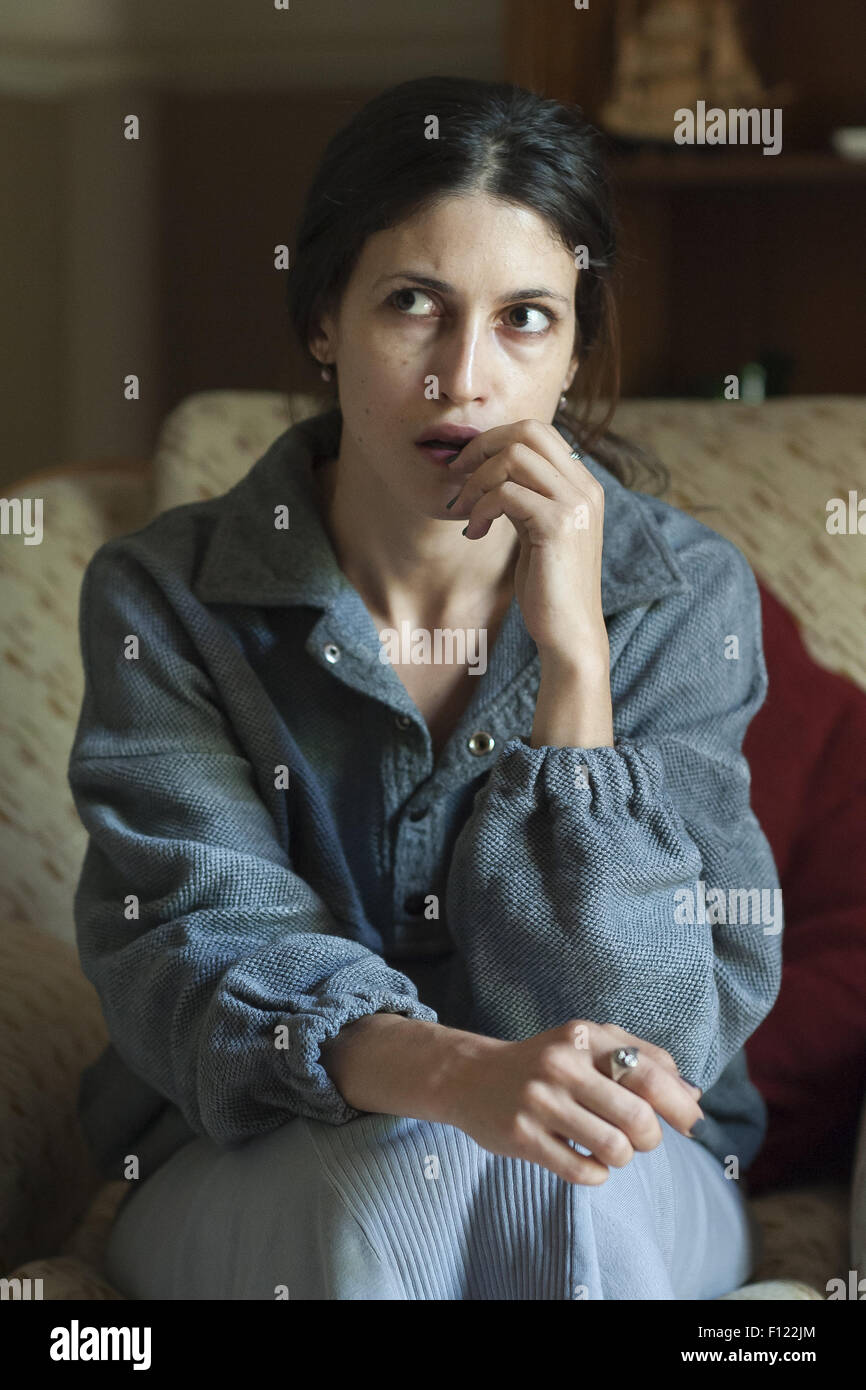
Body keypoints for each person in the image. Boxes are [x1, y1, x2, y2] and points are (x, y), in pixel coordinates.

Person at [68, 76, 780, 1300]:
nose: (464, 377)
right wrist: (456, 1078)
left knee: (553, 1177)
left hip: (629, 1171)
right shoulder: (166, 595)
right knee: (399, 1181)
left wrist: (575, 666)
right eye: (413, 304)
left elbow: (635, 1041)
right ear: (324, 321)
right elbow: (195, 946)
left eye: (523, 319)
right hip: (260, 1153)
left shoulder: (681, 597)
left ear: (571, 348)